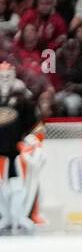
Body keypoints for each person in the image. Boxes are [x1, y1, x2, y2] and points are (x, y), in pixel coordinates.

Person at [0, 62, 44, 235]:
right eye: (1, 76)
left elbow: (36, 125)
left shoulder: (22, 98)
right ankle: (5, 217)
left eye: (7, 76)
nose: (4, 80)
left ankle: (20, 216)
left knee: (17, 186)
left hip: (16, 152)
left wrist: (31, 141)